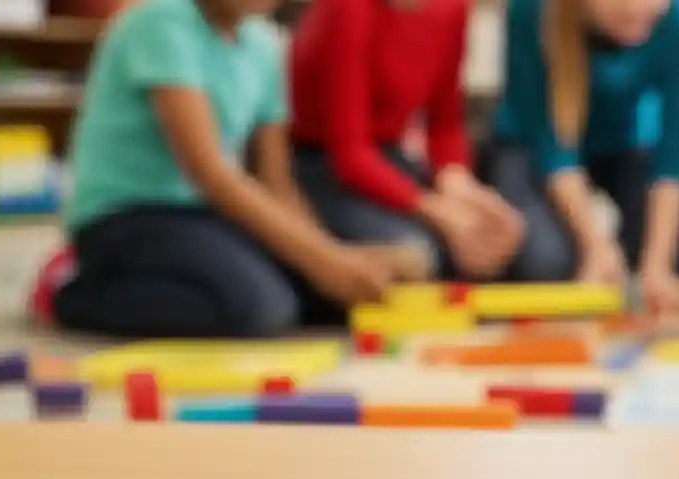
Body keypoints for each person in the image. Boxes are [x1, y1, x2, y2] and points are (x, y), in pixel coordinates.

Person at [53, 0, 416, 337]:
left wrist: (336, 257)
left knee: (331, 300)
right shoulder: (159, 21)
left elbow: (276, 182)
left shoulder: (263, 43)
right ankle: (73, 293)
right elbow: (209, 173)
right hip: (127, 214)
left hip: (200, 214)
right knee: (259, 310)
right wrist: (326, 261)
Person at [487, 0, 679, 313]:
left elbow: (674, 151)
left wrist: (657, 268)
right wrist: (596, 245)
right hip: (531, 145)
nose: (636, 8)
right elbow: (552, 147)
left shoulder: (677, 20)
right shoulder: (529, 11)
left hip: (620, 143)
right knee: (546, 263)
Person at [289, 0, 524, 281]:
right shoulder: (347, 10)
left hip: (387, 156)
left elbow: (444, 124)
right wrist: (438, 212)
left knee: (484, 241)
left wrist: (463, 189)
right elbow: (349, 155)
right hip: (319, 163)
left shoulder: (453, 9)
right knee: (421, 254)